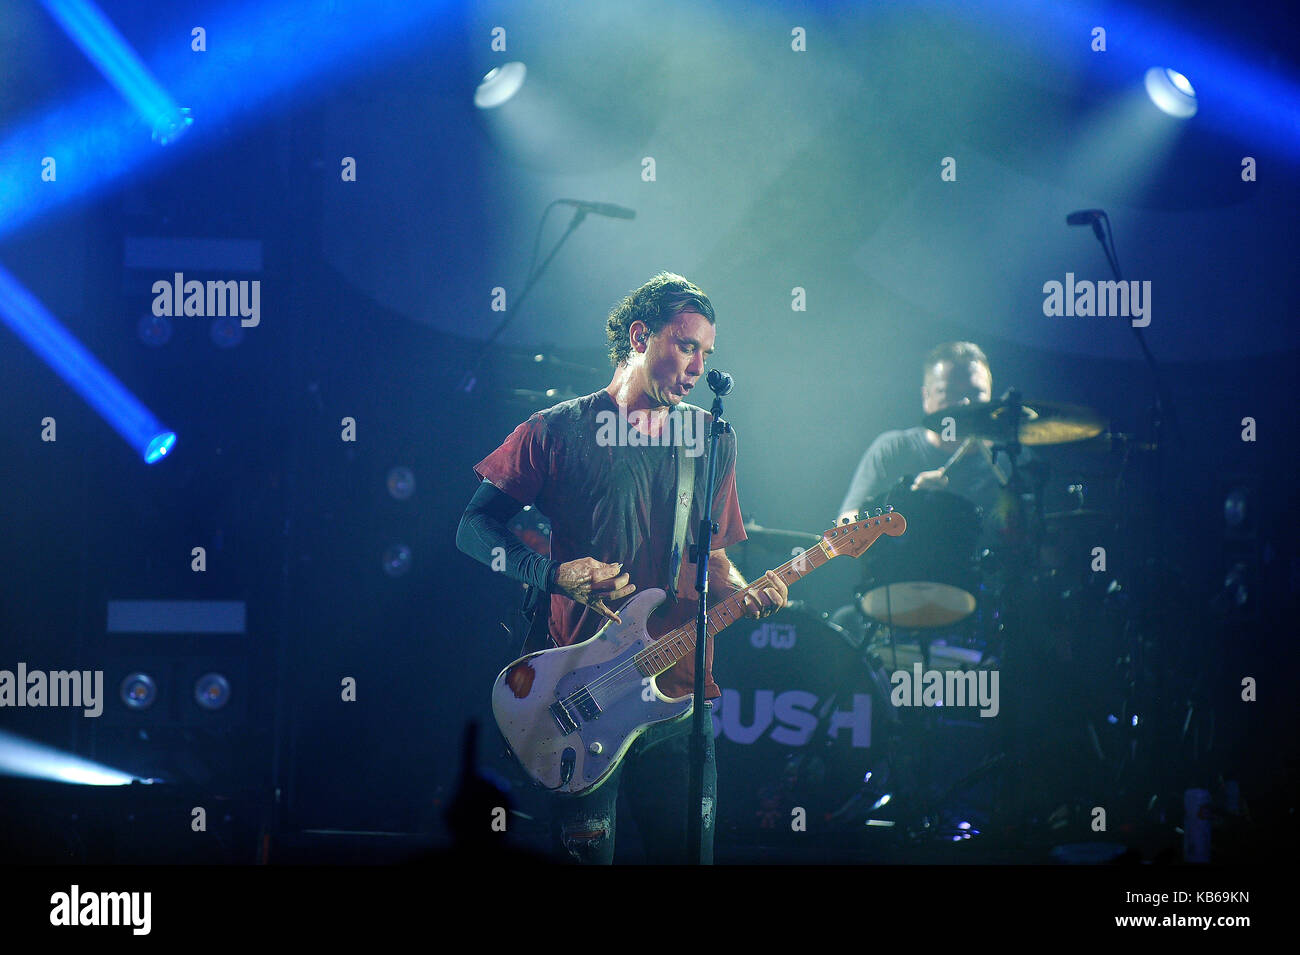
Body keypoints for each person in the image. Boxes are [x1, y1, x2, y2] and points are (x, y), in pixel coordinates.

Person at [456, 271, 787, 864]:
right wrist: (551, 575)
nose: (696, 367)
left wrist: (740, 586)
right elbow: (473, 529)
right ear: (640, 336)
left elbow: (707, 549)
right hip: (582, 691)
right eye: (687, 346)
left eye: (706, 353)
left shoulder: (709, 441)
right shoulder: (556, 430)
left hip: (678, 688)